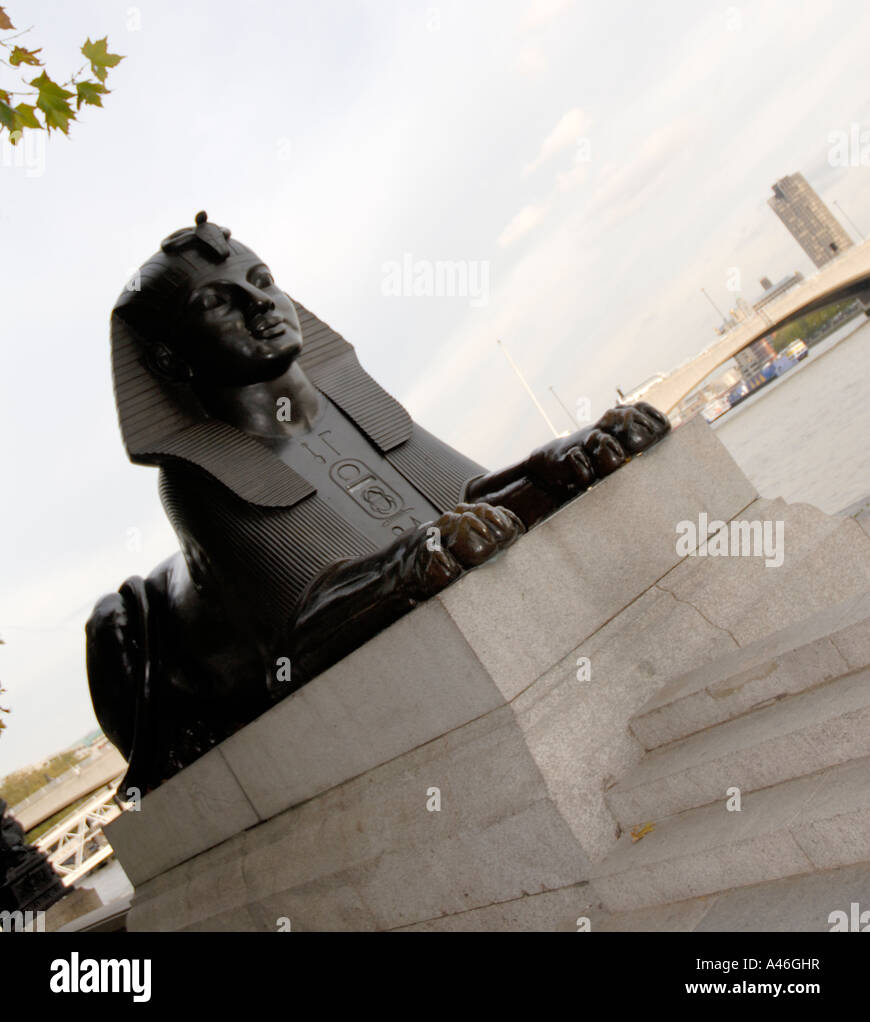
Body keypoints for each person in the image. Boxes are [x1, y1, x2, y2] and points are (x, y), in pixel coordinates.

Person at [87, 213, 669, 792]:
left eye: (263, 282)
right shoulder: (198, 482)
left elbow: (467, 505)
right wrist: (405, 566)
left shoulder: (353, 405)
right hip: (198, 670)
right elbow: (299, 638)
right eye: (218, 303)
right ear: (168, 360)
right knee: (108, 620)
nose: (260, 305)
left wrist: (558, 466)